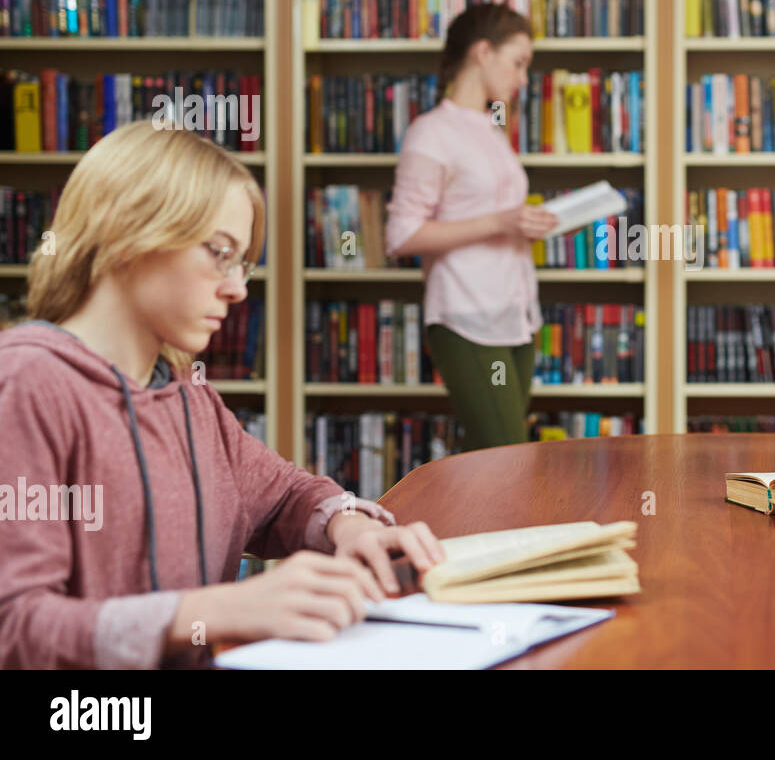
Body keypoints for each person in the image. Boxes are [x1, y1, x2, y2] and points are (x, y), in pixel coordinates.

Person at [0, 120, 445, 668]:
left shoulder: (188, 396)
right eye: (219, 252)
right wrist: (219, 609)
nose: (237, 288)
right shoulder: (27, 384)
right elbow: (16, 629)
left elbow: (282, 496)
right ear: (125, 233)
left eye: (242, 264)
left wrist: (348, 526)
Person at [386, 3, 559, 451]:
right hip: (466, 314)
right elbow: (402, 235)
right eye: (518, 63)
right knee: (507, 457)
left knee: (495, 461)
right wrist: (500, 221)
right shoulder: (431, 133)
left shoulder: (491, 128)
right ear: (483, 52)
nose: (524, 79)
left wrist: (525, 224)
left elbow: (499, 218)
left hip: (517, 314)